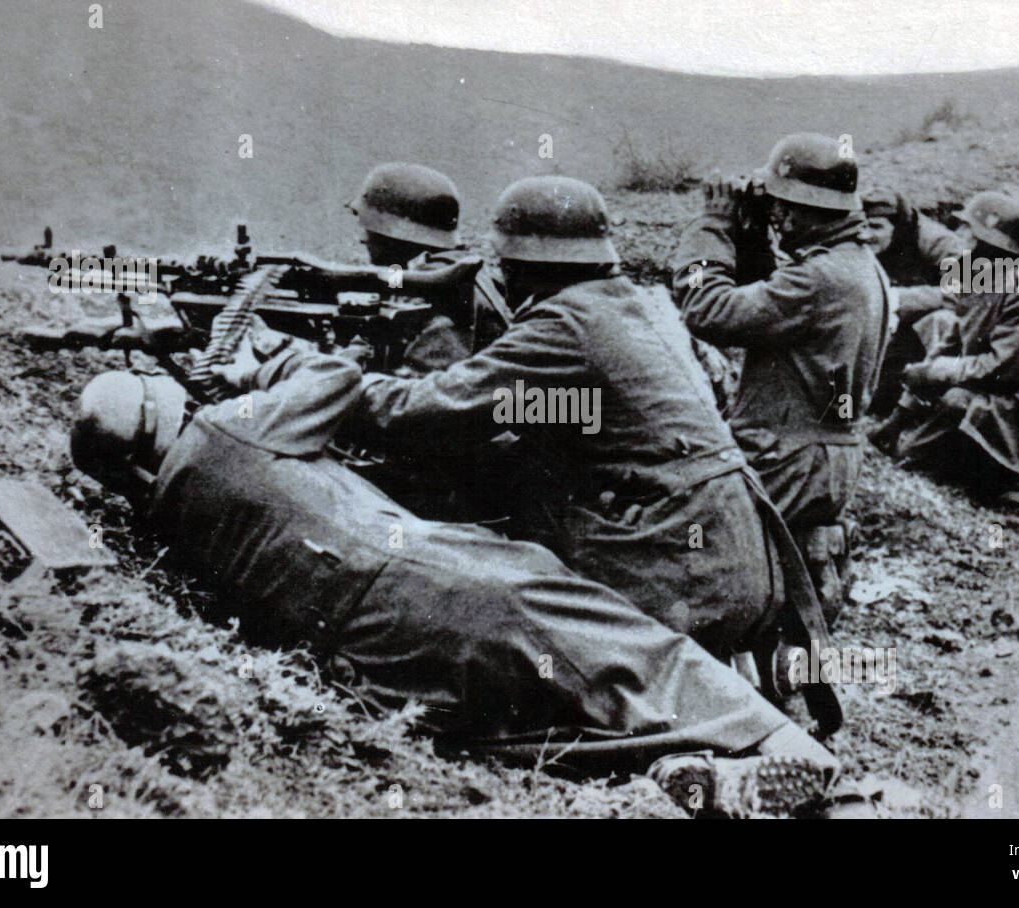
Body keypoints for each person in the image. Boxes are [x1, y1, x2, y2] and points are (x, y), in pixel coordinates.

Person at [68, 342, 846, 817]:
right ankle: (783, 747)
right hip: (422, 580)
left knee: (518, 724)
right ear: (154, 410)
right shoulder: (218, 429)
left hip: (364, 658)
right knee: (620, 640)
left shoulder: (167, 512)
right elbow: (336, 377)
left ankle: (683, 773)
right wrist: (268, 363)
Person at [356, 176, 834, 688]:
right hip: (734, 559)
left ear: (522, 266)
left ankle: (681, 705)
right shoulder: (625, 304)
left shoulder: (565, 325)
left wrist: (329, 376)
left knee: (488, 633)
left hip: (680, 567)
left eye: (505, 265)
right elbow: (546, 412)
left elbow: (419, 409)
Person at [671, 133, 891, 635]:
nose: (777, 220)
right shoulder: (856, 267)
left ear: (805, 210)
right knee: (779, 574)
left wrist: (713, 225)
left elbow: (706, 309)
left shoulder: (821, 278)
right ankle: (788, 681)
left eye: (782, 209)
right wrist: (749, 240)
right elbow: (770, 306)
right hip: (823, 455)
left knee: (698, 552)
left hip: (788, 456)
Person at [875, 192, 1019, 504]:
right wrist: (900, 415)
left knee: (957, 403)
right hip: (992, 387)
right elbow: (954, 339)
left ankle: (1016, 475)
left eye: (970, 233)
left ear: (993, 245)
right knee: (910, 452)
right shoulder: (978, 275)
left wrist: (941, 372)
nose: (961, 239)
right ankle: (979, 464)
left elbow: (1003, 369)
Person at [350, 162, 510, 372]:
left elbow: (426, 385)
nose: (363, 239)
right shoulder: (454, 271)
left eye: (370, 228)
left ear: (396, 234)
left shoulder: (440, 287)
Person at [860, 188, 969, 415]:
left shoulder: (937, 242)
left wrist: (900, 298)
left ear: (898, 227)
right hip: (892, 329)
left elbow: (970, 292)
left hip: (933, 334)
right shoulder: (857, 241)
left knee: (943, 321)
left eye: (877, 227)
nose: (867, 235)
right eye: (863, 226)